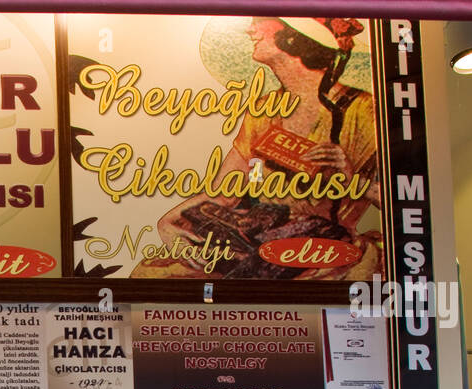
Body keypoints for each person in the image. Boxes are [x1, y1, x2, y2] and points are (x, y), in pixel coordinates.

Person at [141, 16, 380, 281]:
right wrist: (167, 222)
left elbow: (400, 205)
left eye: (260, 20)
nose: (250, 29)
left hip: (323, 254)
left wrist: (353, 182)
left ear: (293, 36)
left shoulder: (364, 112)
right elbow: (223, 194)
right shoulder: (264, 109)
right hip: (255, 239)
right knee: (153, 275)